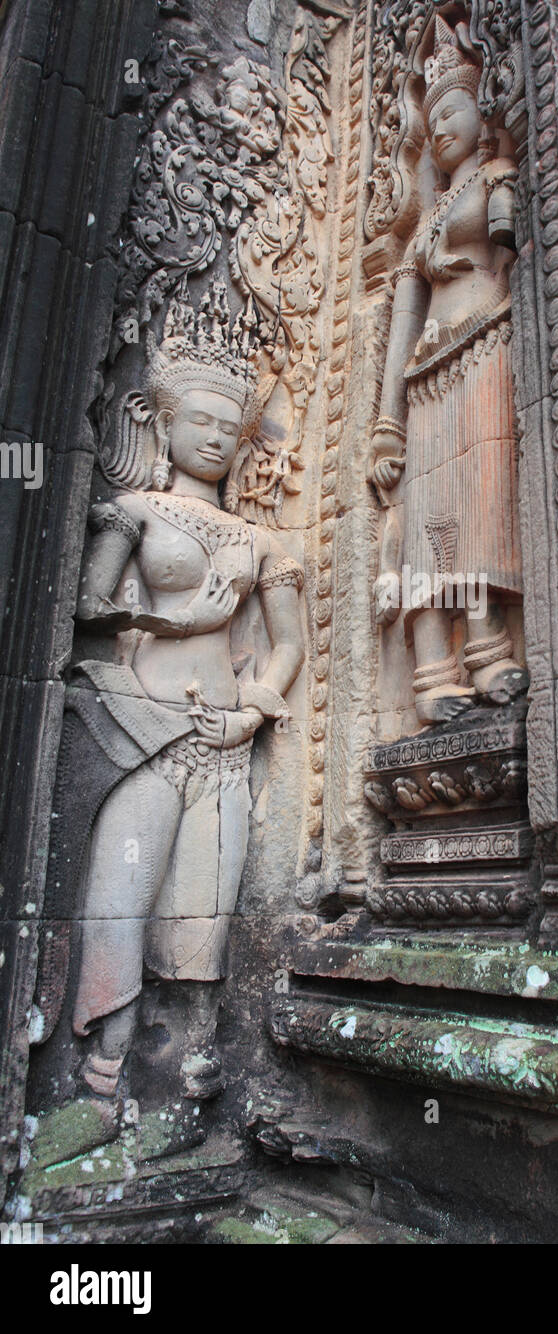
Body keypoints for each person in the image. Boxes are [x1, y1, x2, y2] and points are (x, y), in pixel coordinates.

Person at [71, 279, 304, 1100]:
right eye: (197, 421)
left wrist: (249, 715)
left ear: (245, 444)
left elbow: (290, 648)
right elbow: (89, 610)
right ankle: (105, 1071)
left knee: (204, 909)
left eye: (228, 428)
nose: (212, 438)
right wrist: (186, 622)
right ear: (163, 424)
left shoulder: (260, 538)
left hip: (220, 741)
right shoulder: (133, 510)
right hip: (146, 728)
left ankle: (193, 1070)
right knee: (120, 897)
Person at [368, 16, 527, 726]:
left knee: (484, 504)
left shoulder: (498, 177)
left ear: (483, 113)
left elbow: (518, 251)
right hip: (429, 376)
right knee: (432, 518)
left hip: (490, 347)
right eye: (430, 122)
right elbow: (402, 320)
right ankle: (432, 671)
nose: (440, 130)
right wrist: (385, 425)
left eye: (453, 112)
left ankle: (489, 652)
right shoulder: (425, 225)